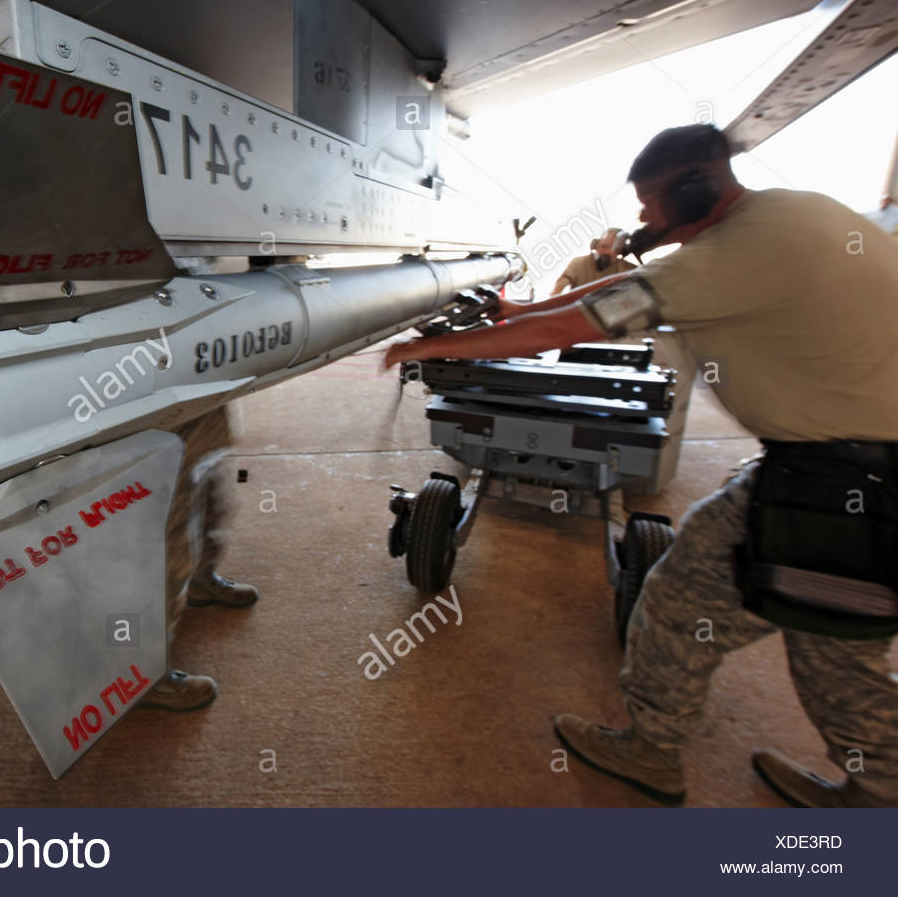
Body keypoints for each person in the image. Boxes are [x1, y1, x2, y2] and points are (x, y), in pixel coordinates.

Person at [384, 124, 898, 807]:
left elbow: (570, 330)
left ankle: (658, 752)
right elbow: (629, 283)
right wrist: (520, 306)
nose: (644, 218)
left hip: (840, 483)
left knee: (721, 609)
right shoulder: (789, 213)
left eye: (652, 202)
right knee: (828, 636)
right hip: (840, 470)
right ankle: (873, 782)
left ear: (697, 185)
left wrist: (440, 347)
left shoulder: (730, 255)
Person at [138, 405, 260, 712]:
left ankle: (200, 580)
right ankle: (140, 674)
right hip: (158, 410)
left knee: (206, 492)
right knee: (165, 534)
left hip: (198, 405)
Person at [550, 227, 637, 295]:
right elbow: (562, 282)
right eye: (604, 246)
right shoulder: (579, 262)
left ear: (622, 252)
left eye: (616, 249)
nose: (609, 252)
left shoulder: (628, 269)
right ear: (595, 245)